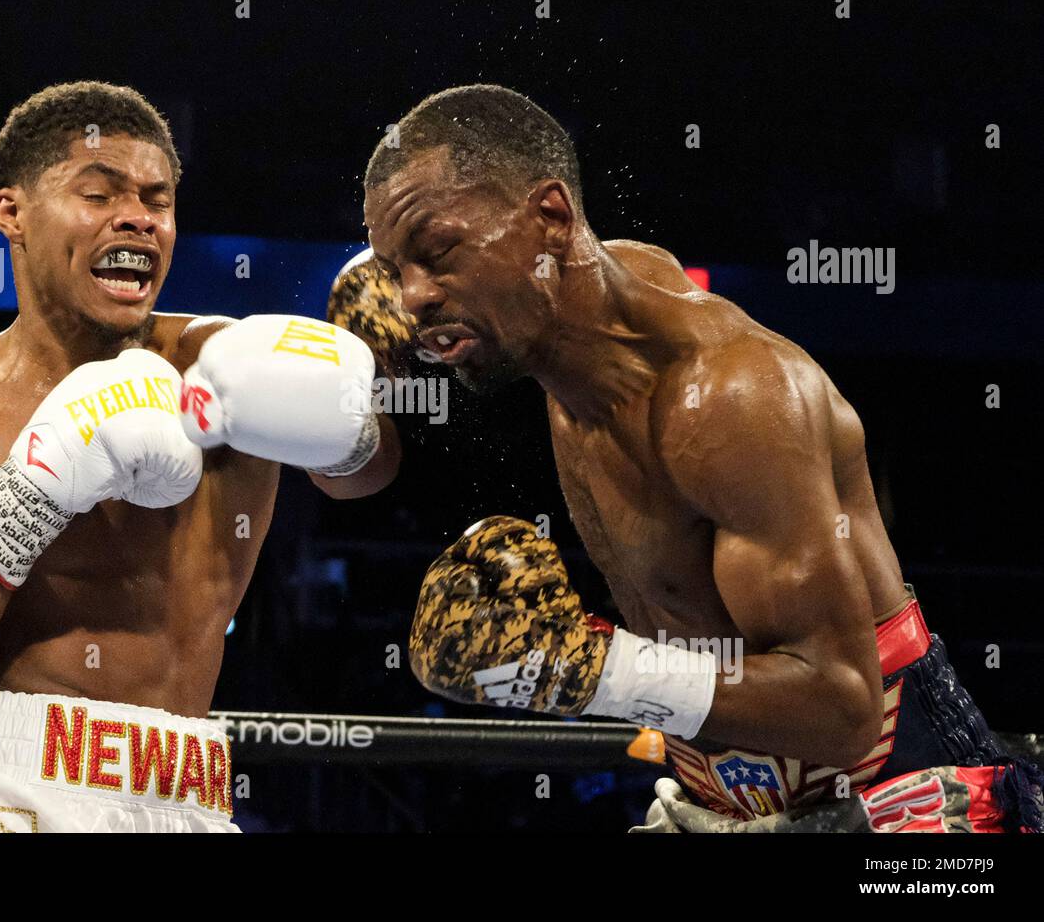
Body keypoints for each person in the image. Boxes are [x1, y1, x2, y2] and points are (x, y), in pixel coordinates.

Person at [355, 83, 1043, 832]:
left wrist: (589, 671)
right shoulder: (566, 321)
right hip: (714, 800)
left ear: (550, 218)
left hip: (891, 797)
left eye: (437, 252)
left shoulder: (726, 399)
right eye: (393, 271)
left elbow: (845, 704)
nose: (410, 297)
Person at [0, 81, 399, 833]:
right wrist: (37, 485)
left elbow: (366, 476)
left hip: (190, 795)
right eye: (99, 194)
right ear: (11, 212)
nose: (137, 216)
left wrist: (345, 425)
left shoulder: (217, 360)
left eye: (156, 200)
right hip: (3, 787)